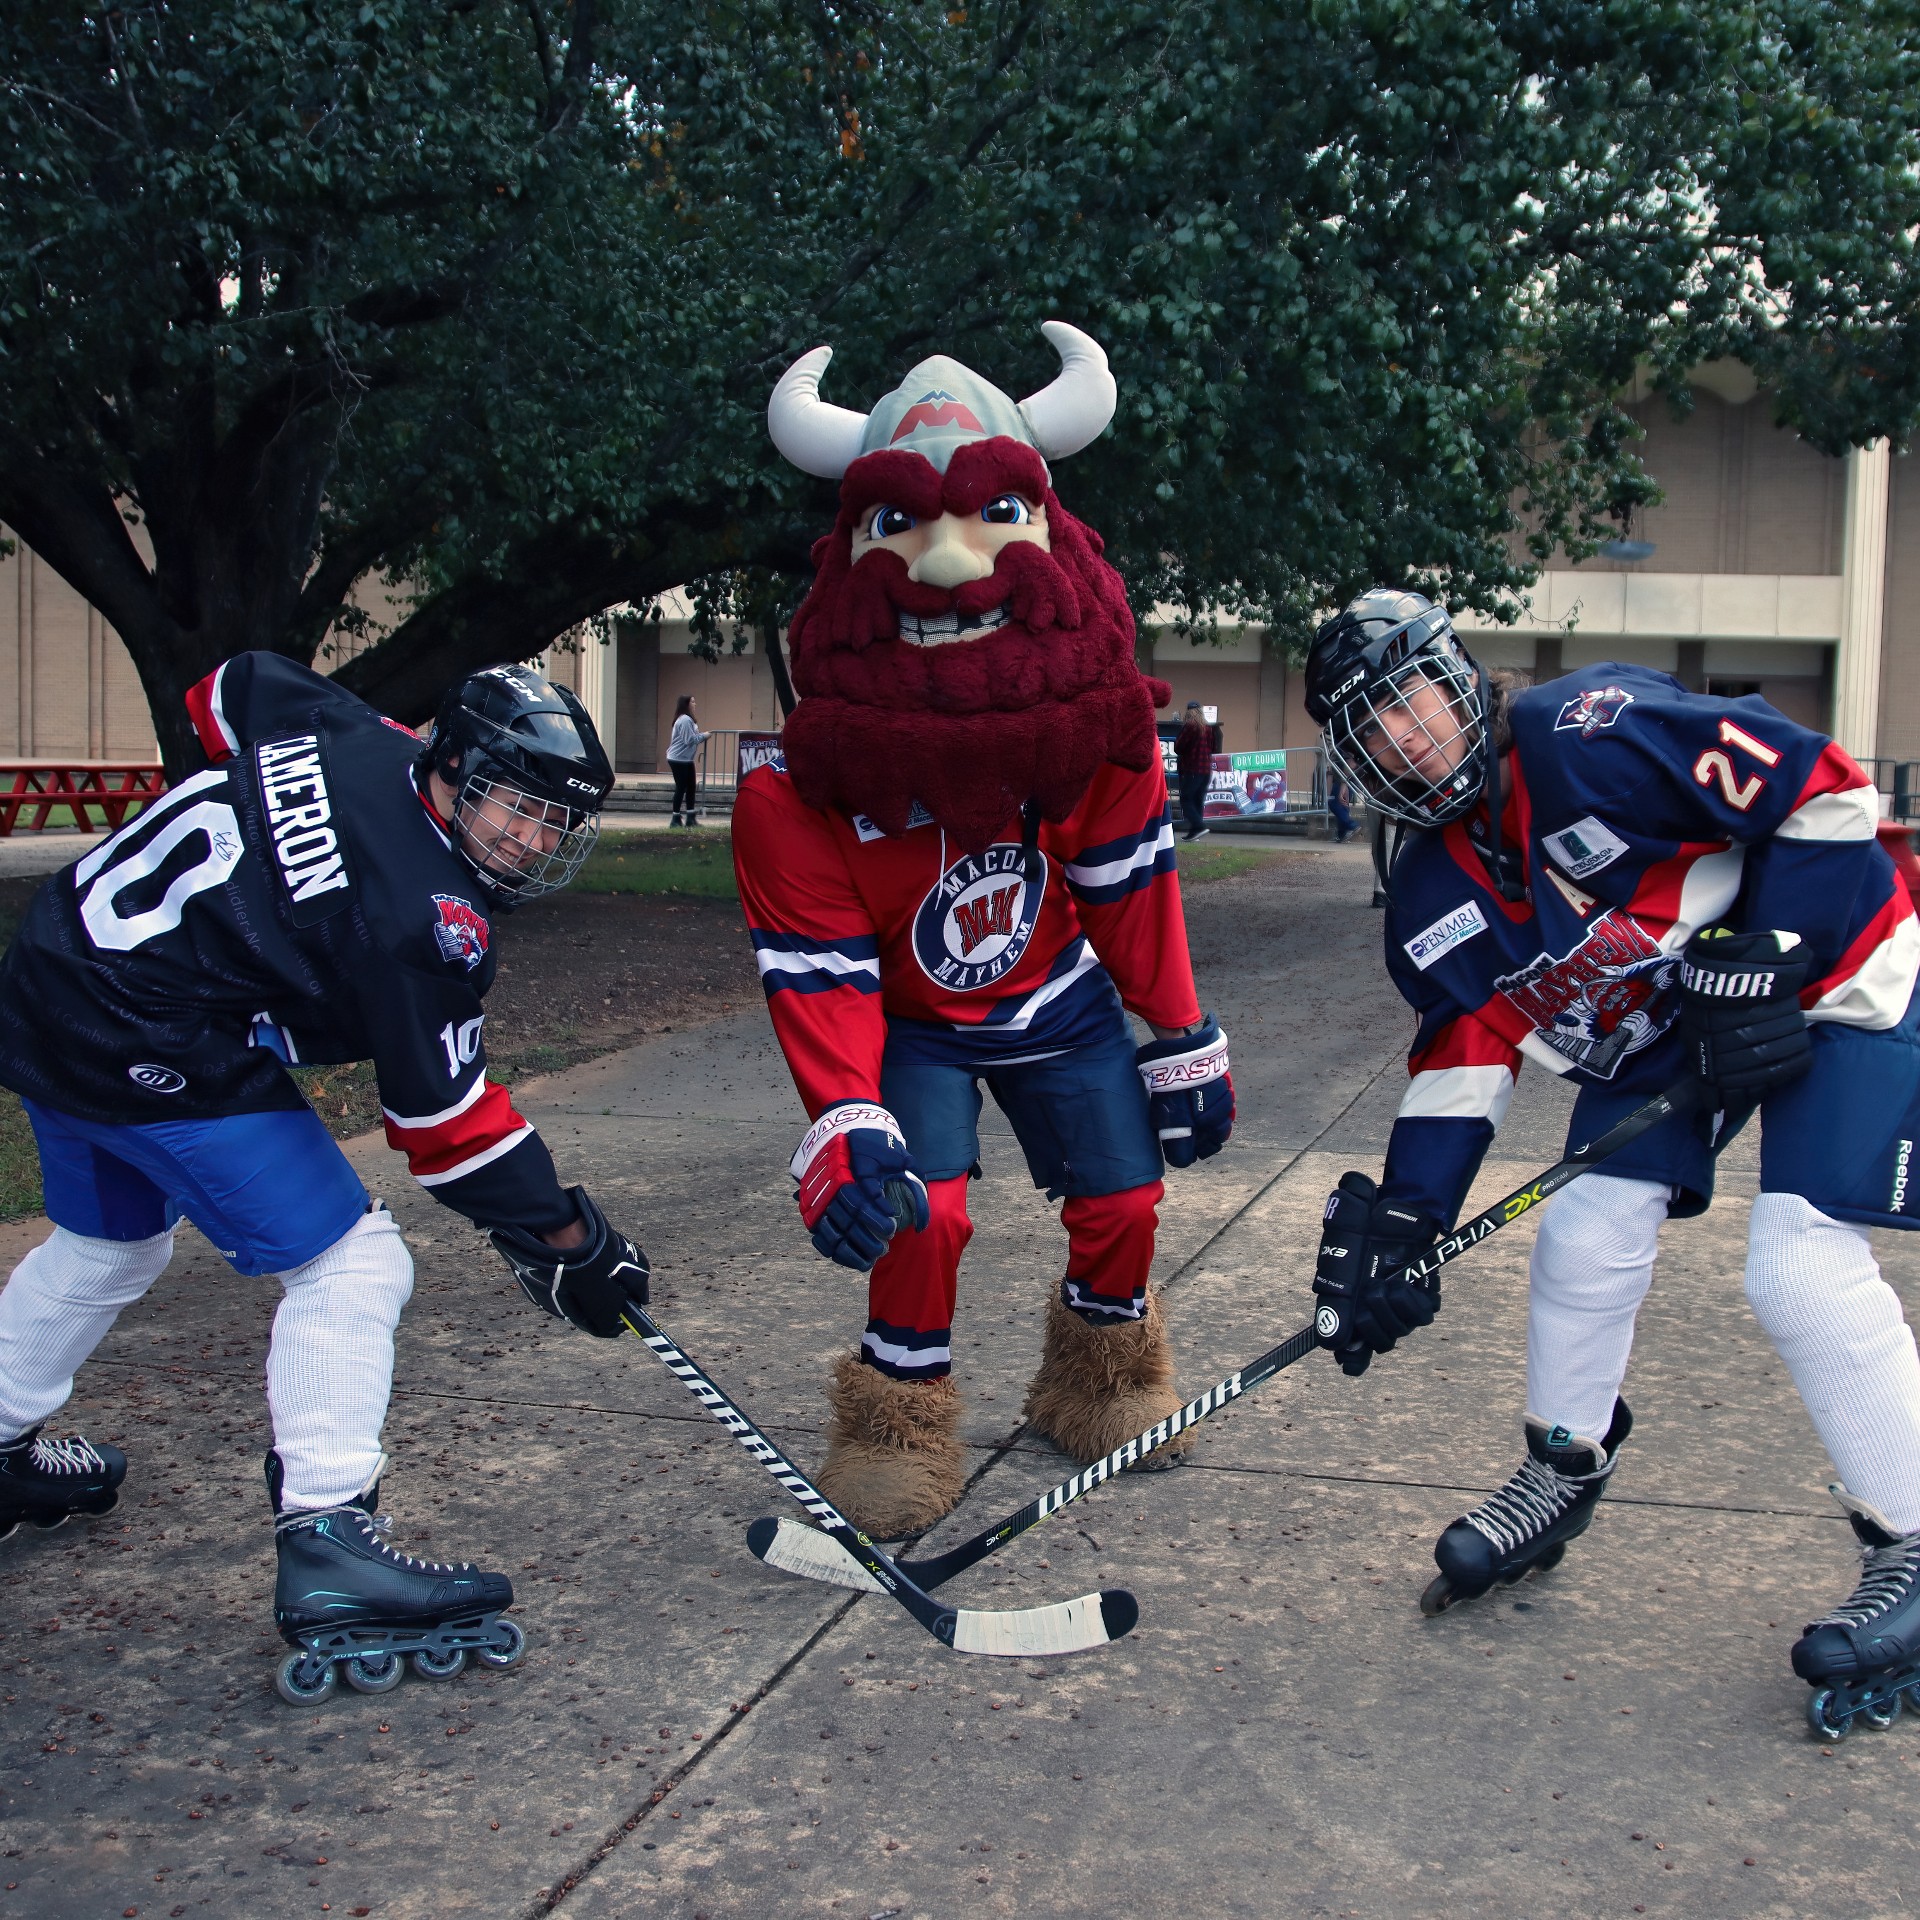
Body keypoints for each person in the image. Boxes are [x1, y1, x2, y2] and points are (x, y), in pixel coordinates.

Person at [1302, 586, 1920, 1739]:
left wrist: (1770, 951)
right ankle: (1563, 1469)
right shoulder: (1428, 890)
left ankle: (1915, 1534)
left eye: (1416, 703)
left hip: (1838, 978)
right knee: (1583, 1234)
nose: (1410, 739)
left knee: (1796, 1267)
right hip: (1678, 1027)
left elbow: (1825, 783)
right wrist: (1406, 1226)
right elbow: (1464, 1052)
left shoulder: (1591, 728)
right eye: (1373, 731)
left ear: (1460, 680)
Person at [0, 654, 650, 1707]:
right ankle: (330, 1541)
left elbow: (225, 686)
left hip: (51, 966)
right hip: (142, 1027)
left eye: (554, 823)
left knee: (111, 1244)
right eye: (517, 808)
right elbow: (441, 1125)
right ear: (453, 766)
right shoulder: (427, 916)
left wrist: (279, 853)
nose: (532, 841)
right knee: (353, 1266)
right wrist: (565, 1235)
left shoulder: (354, 733)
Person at [735, 323, 1234, 1537]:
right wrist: (848, 1127)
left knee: (1125, 1197)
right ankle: (894, 1422)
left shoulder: (1090, 738)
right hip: (917, 1021)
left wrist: (1177, 1030)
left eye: (991, 513)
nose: (950, 563)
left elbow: (1126, 889)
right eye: (899, 523)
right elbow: (826, 978)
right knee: (924, 1206)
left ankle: (1102, 1380)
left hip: (1056, 1005)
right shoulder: (794, 797)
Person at [666, 694, 708, 827]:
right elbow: (689, 740)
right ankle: (675, 818)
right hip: (678, 759)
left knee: (691, 787)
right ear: (686, 704)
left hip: (687, 759)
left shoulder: (689, 720)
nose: (695, 704)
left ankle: (690, 818)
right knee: (681, 787)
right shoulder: (684, 720)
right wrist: (705, 735)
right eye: (693, 702)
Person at [1174, 700, 1213, 842]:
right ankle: (1195, 833)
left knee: (1185, 799)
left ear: (1188, 712)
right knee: (1197, 800)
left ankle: (1199, 826)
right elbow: (1213, 747)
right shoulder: (1208, 728)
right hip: (1206, 770)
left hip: (1192, 769)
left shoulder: (1190, 726)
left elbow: (1178, 747)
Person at [1326, 768, 1355, 843]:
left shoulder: (1342, 756)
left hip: (1342, 782)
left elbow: (1347, 767)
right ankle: (1341, 835)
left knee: (1334, 804)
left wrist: (1343, 785)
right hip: (1347, 782)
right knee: (1343, 808)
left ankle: (1352, 825)